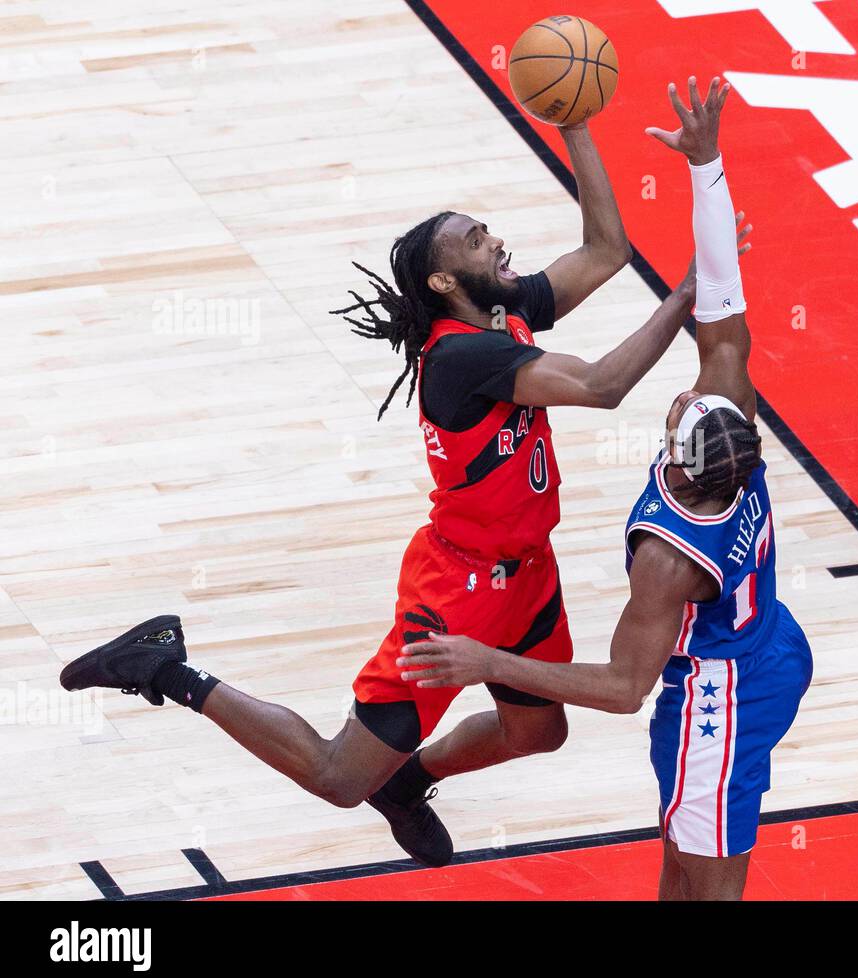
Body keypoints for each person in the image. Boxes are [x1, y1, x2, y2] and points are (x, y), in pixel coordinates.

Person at [59, 120, 700, 868]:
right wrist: (688, 293)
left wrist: (576, 124)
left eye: (487, 230)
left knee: (538, 733)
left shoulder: (499, 308)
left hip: (525, 573)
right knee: (338, 775)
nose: (494, 241)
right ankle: (164, 663)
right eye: (473, 240)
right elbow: (603, 384)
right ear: (441, 281)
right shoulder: (462, 359)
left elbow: (605, 251)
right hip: (455, 590)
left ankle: (407, 783)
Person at [398, 77, 813, 900]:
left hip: (717, 697)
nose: (690, 391)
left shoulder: (667, 555)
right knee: (679, 865)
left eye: (688, 406)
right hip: (773, 647)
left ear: (680, 457)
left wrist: (487, 659)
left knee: (706, 888)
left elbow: (625, 687)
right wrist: (706, 165)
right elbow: (724, 312)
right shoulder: (735, 448)